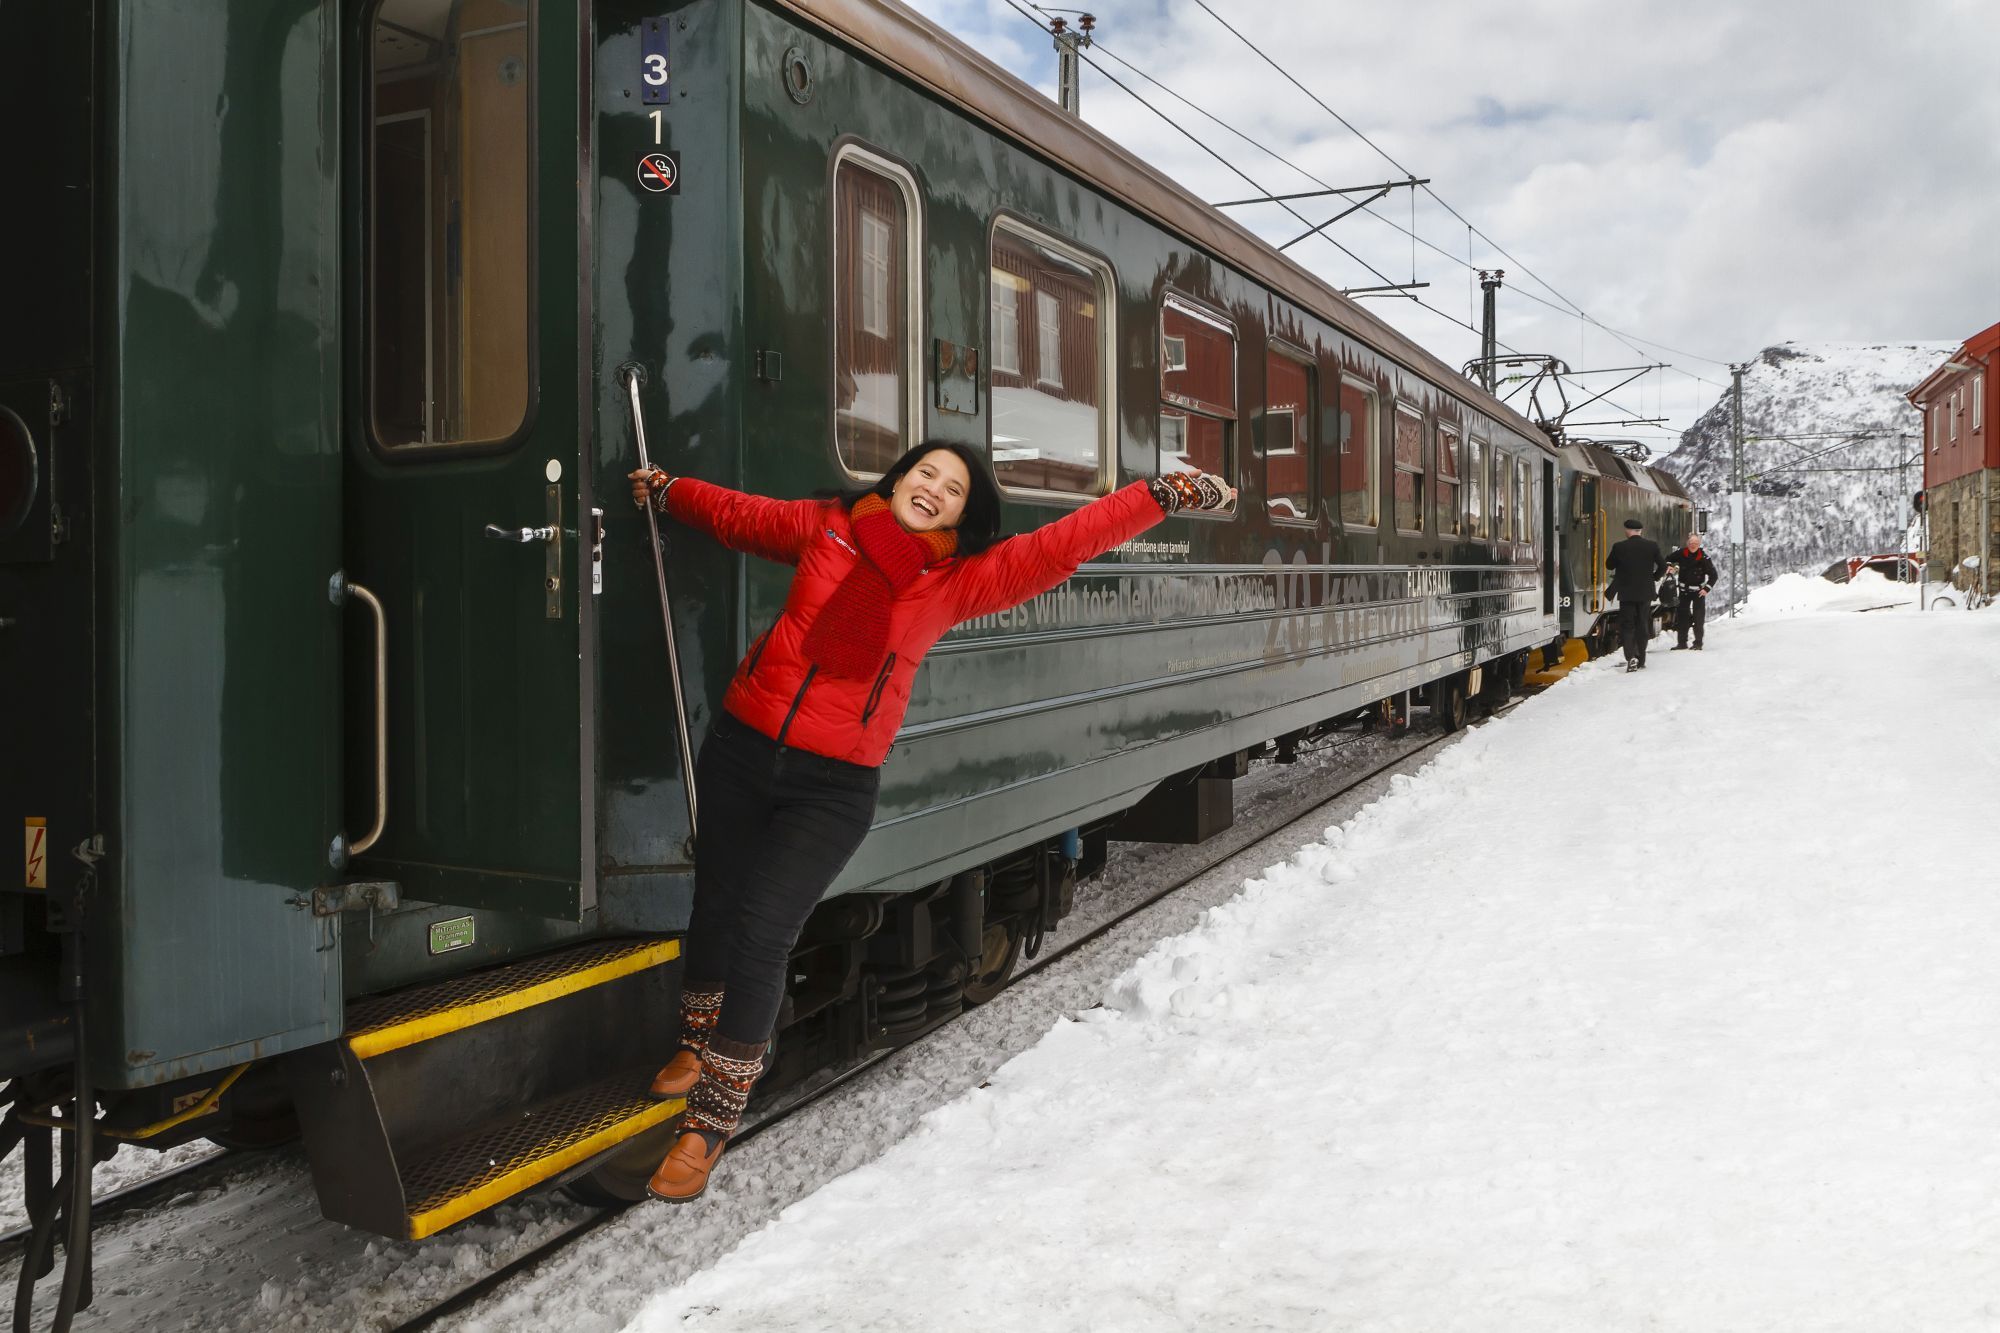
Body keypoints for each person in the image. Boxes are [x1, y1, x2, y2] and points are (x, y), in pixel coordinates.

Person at [624, 446, 1235, 1201]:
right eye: (926, 475)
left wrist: (1160, 493)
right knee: (714, 902)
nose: (934, 491)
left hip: (834, 783)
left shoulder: (956, 582)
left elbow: (1063, 544)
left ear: (961, 514)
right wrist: (672, 488)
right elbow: (738, 515)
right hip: (742, 750)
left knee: (761, 928)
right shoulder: (830, 528)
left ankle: (710, 1120)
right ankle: (694, 1040)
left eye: (952, 490)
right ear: (900, 478)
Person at [1604, 517, 1666, 672]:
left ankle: (1630, 657)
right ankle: (1641, 658)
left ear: (1627, 530)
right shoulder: (1651, 546)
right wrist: (1654, 577)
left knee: (1627, 626)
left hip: (1627, 593)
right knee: (1642, 624)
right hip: (1645, 592)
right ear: (1640, 531)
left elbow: (1609, 565)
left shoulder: (1619, 547)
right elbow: (1663, 566)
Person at [1667, 530, 1718, 650]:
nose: (1693, 544)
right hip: (1684, 591)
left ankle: (1698, 643)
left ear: (1699, 544)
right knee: (1682, 618)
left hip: (1698, 593)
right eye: (1691, 542)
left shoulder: (1704, 558)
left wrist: (1706, 589)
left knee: (1698, 619)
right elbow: (1667, 559)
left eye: (1695, 542)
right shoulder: (1681, 553)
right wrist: (1671, 567)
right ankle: (1682, 643)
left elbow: (1714, 576)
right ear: (1687, 543)